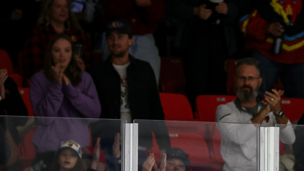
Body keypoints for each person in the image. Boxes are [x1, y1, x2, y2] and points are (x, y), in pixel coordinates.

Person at [216, 58, 296, 171]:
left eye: (251, 78)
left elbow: (289, 138)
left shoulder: (269, 113)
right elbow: (238, 137)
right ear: (235, 80)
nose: (247, 82)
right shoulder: (225, 110)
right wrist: (266, 110)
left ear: (259, 82)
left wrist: (278, 112)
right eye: (242, 78)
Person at [88, 20, 169, 152]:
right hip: (106, 143)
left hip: (139, 142)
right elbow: (89, 112)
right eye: (111, 37)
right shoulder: (95, 73)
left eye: (120, 37)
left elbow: (156, 111)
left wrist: (164, 146)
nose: (115, 42)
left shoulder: (144, 69)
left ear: (130, 40)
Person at [29, 36, 101, 161]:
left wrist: (71, 90)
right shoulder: (38, 79)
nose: (62, 55)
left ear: (72, 54)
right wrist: (57, 86)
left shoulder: (84, 78)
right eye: (57, 50)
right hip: (48, 150)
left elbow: (94, 114)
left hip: (77, 149)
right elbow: (44, 118)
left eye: (67, 50)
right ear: (50, 53)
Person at [239, 0, 304, 100]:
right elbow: (244, 12)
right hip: (265, 51)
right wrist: (265, 27)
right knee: (255, 96)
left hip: (298, 53)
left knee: (299, 102)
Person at [172, 0, 240, 105]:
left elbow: (243, 6)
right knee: (196, 87)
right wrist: (194, 11)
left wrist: (229, 9)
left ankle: (217, 118)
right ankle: (197, 117)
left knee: (219, 87)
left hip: (222, 41)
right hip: (194, 39)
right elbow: (172, 7)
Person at [23, 0, 93, 78]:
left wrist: (81, 69)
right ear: (48, 9)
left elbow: (90, 64)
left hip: (76, 81)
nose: (63, 10)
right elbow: (33, 68)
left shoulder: (78, 33)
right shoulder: (38, 33)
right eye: (58, 6)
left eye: (66, 7)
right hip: (47, 82)